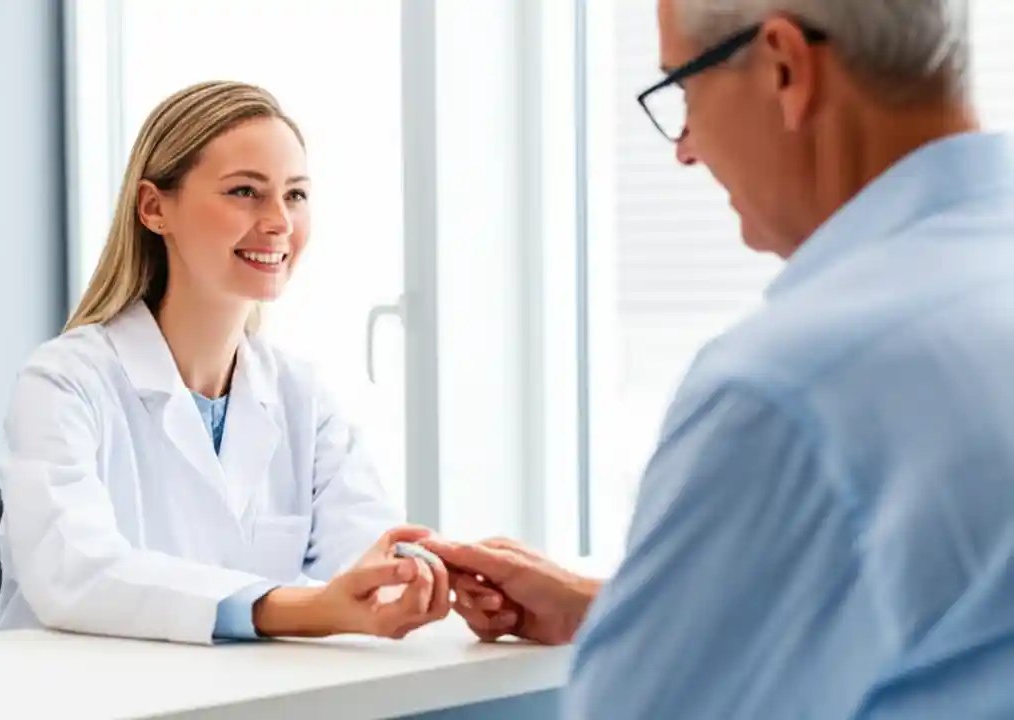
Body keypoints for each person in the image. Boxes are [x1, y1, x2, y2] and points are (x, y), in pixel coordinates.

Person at [426, 0, 1014, 716]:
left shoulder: (791, 386)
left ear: (784, 68)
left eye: (683, 89)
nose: (686, 149)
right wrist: (622, 608)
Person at [0, 81, 448, 645]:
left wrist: (426, 578)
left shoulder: (301, 396)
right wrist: (293, 606)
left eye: (295, 195)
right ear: (154, 208)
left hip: (253, 687)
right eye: (244, 191)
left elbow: (366, 551)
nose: (279, 221)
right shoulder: (64, 384)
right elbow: (76, 571)